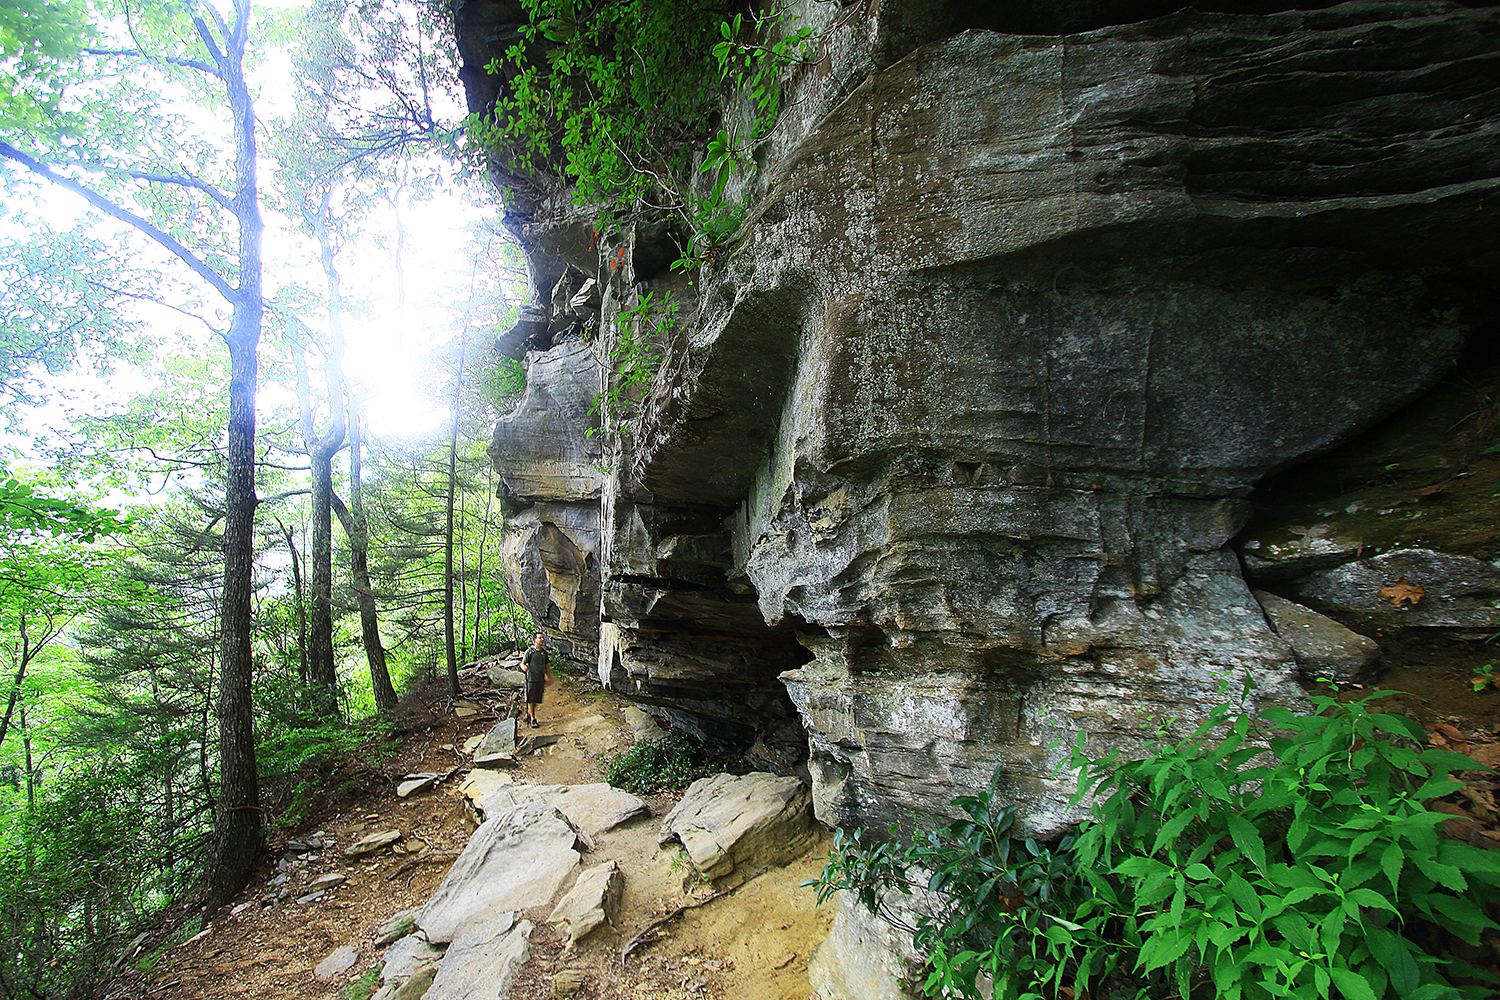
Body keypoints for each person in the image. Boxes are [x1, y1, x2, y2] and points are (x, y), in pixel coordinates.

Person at [521, 632, 554, 728]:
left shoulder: (544, 653)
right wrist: (524, 668)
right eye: (540, 638)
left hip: (540, 679)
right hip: (531, 679)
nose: (542, 640)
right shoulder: (530, 652)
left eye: (543, 638)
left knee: (536, 700)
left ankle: (529, 713)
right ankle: (533, 719)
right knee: (531, 699)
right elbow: (523, 663)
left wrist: (549, 676)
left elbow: (546, 665)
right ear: (535, 640)